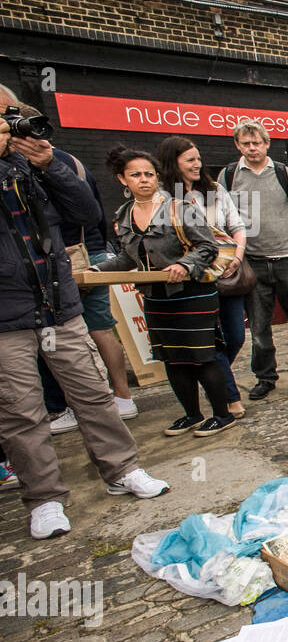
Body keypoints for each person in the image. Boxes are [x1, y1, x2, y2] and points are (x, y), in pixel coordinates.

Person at [0, 125, 169, 539]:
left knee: (92, 392)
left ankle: (122, 469)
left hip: (58, 301)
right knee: (22, 410)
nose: (8, 131)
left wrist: (47, 164)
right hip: (6, 313)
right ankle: (44, 499)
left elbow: (86, 214)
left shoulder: (36, 164)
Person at [0, 90, 138, 434]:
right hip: (25, 288)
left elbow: (89, 213)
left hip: (74, 261)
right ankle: (101, 401)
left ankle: (115, 400)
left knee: (95, 333)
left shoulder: (55, 160)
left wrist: (46, 165)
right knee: (84, 336)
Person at [95, 146, 235, 439]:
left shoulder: (179, 208)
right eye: (135, 175)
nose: (144, 179)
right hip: (155, 294)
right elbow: (126, 258)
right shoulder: (123, 215)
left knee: (201, 355)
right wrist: (98, 270)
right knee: (172, 357)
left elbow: (207, 246)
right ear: (123, 179)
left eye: (149, 173)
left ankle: (222, 414)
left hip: (194, 291)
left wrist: (185, 265)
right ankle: (192, 414)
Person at [219, 120, 288, 398]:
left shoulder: (283, 173)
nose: (252, 149)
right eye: (246, 144)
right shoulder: (229, 176)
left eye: (257, 143)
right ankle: (265, 377)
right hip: (252, 262)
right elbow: (219, 218)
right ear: (238, 145)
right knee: (259, 327)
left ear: (267, 144)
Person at [157, 135, 249, 419]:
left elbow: (237, 226)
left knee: (235, 337)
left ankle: (215, 380)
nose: (198, 165)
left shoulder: (213, 189)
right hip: (191, 281)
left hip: (225, 273)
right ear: (173, 163)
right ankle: (229, 397)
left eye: (199, 159)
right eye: (190, 160)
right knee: (209, 341)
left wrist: (237, 257)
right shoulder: (162, 197)